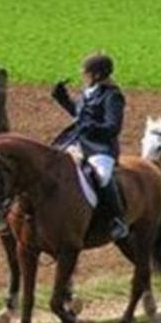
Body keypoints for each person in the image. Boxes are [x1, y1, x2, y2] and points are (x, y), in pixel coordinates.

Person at [51, 53, 129, 241]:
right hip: (77, 141)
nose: (83, 76)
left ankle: (116, 219)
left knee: (101, 176)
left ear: (97, 75)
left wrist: (91, 127)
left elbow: (113, 127)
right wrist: (62, 98)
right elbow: (79, 115)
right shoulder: (89, 91)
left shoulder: (113, 96)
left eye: (86, 73)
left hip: (100, 147)